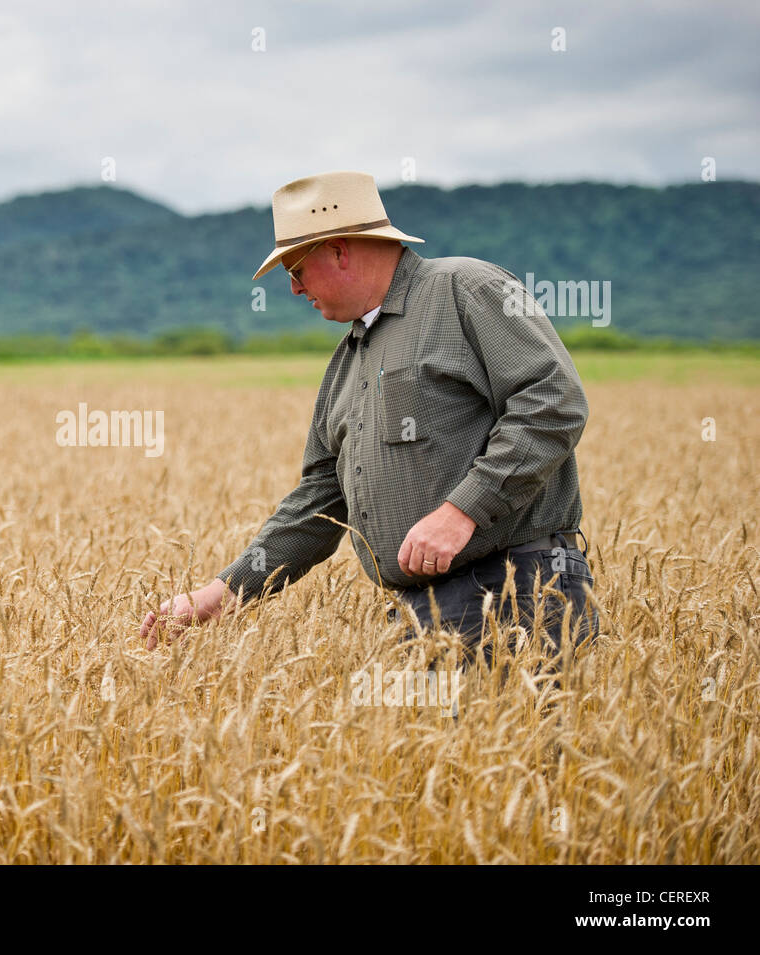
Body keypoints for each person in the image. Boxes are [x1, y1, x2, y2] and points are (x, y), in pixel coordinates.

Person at [139, 170, 598, 668]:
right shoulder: (347, 360)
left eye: (296, 269)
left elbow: (552, 402)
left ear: (339, 250)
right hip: (420, 611)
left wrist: (462, 510)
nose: (293, 289)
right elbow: (320, 499)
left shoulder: (465, 290)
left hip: (517, 591)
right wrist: (220, 593)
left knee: (529, 744)